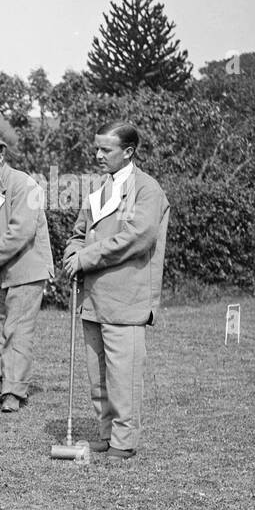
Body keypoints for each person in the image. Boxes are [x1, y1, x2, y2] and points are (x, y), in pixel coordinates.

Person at [62, 121, 169, 460]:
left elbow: (137, 238)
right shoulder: (97, 188)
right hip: (92, 299)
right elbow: (79, 233)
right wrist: (71, 254)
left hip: (126, 299)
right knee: (98, 378)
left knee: (124, 377)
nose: (98, 155)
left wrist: (85, 257)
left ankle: (124, 442)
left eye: (105, 149)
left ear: (128, 152)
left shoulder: (147, 190)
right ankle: (107, 435)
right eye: (96, 148)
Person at [0, 134, 54, 412]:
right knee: (0, 332)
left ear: (0, 157)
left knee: (17, 332)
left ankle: (14, 392)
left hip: (26, 270)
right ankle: (6, 383)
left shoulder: (25, 185)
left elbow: (21, 232)